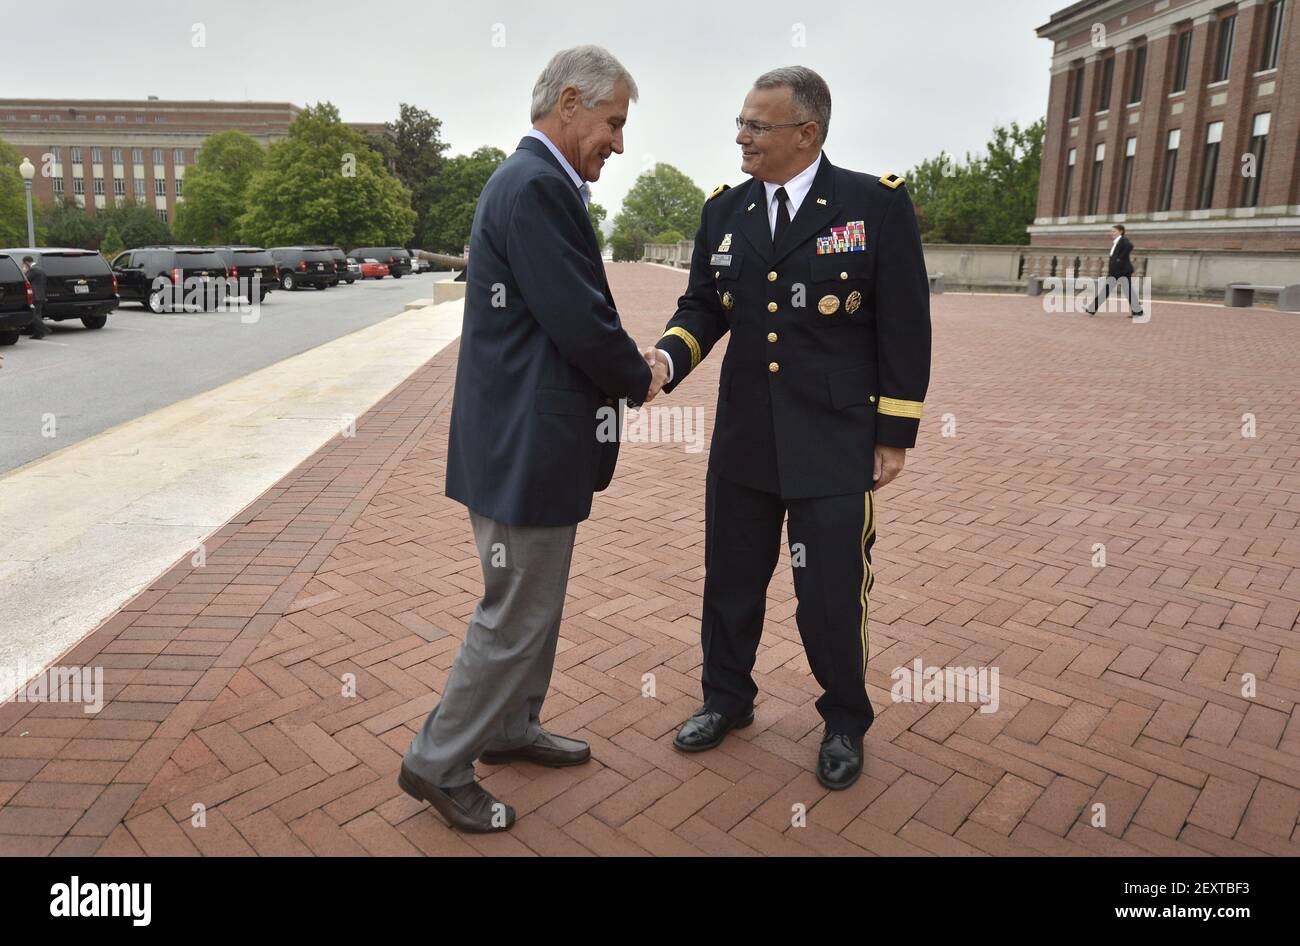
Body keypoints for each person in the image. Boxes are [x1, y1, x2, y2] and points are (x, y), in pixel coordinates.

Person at [399, 45, 668, 833]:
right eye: (614, 124)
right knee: (516, 611)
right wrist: (638, 374)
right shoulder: (538, 185)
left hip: (520, 437)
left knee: (532, 604)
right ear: (572, 103)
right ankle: (438, 761)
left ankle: (511, 727)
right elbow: (578, 316)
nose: (618, 142)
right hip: (527, 443)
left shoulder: (532, 181)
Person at [647, 66, 931, 791]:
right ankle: (726, 700)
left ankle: (843, 720)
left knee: (831, 590)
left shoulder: (873, 205)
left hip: (834, 437)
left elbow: (904, 323)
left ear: (806, 133)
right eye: (740, 122)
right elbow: (704, 306)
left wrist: (894, 430)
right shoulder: (726, 210)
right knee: (731, 580)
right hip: (746, 435)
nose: (739, 136)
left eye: (755, 125)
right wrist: (665, 361)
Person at [1086, 224, 1144, 317]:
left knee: (1106, 290)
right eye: (1111, 231)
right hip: (1119, 271)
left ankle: (1092, 309)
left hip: (1120, 271)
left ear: (1121, 231)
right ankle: (1137, 311)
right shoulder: (1117, 242)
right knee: (1126, 291)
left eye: (1114, 231)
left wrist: (1119, 259)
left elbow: (1130, 246)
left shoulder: (1123, 240)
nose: (1111, 233)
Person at [20, 256, 50, 339]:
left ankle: (45, 329)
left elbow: (25, 279)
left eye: (23, 264)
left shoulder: (33, 270)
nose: (23, 265)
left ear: (26, 262)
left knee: (32, 315)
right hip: (41, 295)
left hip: (34, 296)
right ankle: (38, 334)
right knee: (38, 315)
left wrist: (24, 271)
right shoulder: (40, 269)